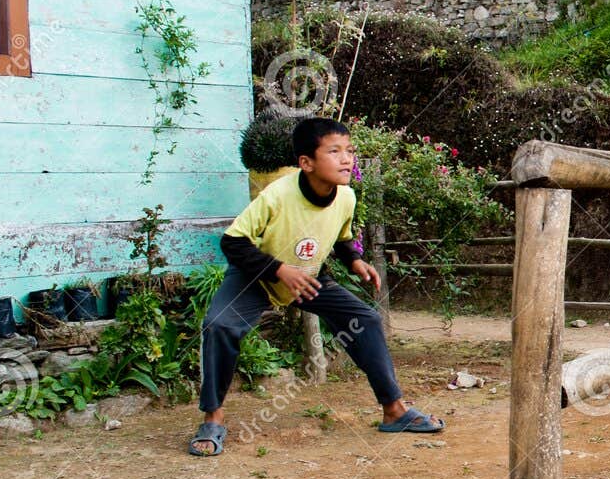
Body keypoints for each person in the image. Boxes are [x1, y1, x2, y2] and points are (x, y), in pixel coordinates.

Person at [188, 117, 443, 456]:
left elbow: (342, 237)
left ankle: (394, 411)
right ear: (306, 163)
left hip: (308, 279)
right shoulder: (276, 195)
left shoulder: (346, 198)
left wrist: (354, 260)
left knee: (365, 320)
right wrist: (279, 270)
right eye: (334, 151)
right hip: (257, 277)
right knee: (219, 325)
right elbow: (232, 243)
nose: (346, 159)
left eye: (349, 151)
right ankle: (213, 418)